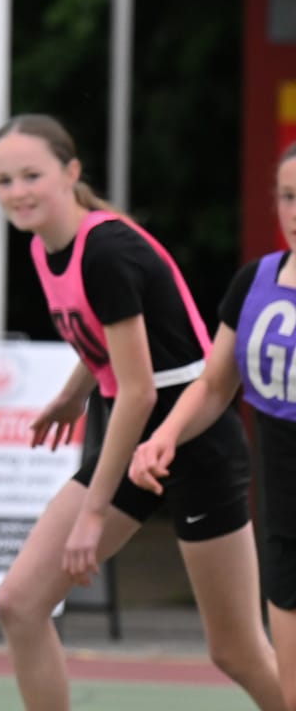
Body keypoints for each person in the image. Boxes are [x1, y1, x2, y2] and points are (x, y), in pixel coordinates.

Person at [0, 113, 285, 711]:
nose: (17, 192)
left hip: (193, 439)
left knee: (235, 650)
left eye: (31, 175)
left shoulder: (107, 251)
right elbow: (108, 346)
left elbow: (143, 389)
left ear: (71, 172)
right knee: (18, 603)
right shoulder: (48, 247)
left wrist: (93, 514)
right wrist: (74, 392)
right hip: (130, 433)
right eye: (3, 180)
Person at [130, 142, 296, 710]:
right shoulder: (256, 282)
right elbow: (214, 384)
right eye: (289, 197)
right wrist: (164, 437)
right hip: (285, 513)